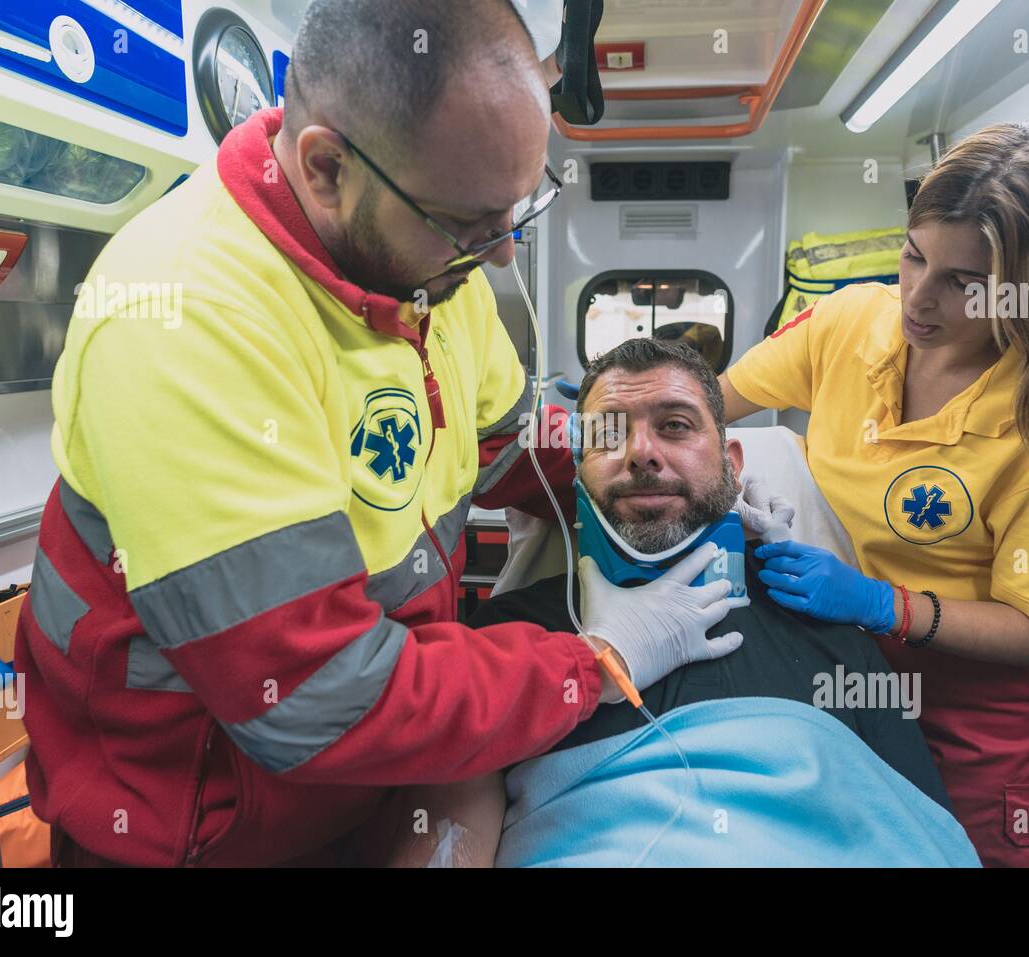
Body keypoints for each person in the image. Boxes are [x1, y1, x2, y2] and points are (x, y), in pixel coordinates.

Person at [13, 0, 738, 868]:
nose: (501, 253)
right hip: (193, 827)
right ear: (326, 169)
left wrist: (670, 462)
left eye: (519, 209)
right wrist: (595, 660)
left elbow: (513, 443)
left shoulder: (436, 277)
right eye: (468, 222)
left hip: (361, 791)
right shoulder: (185, 318)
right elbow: (316, 694)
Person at [382, 338, 977, 867]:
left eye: (675, 425)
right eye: (609, 434)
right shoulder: (508, 638)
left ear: (732, 465)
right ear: (579, 475)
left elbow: (917, 830)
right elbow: (446, 837)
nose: (641, 452)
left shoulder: (824, 627)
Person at [719, 121, 1029, 866]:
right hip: (861, 671)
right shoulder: (852, 325)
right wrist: (619, 422)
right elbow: (715, 400)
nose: (918, 297)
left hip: (984, 723)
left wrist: (883, 602)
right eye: (914, 256)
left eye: (963, 283)